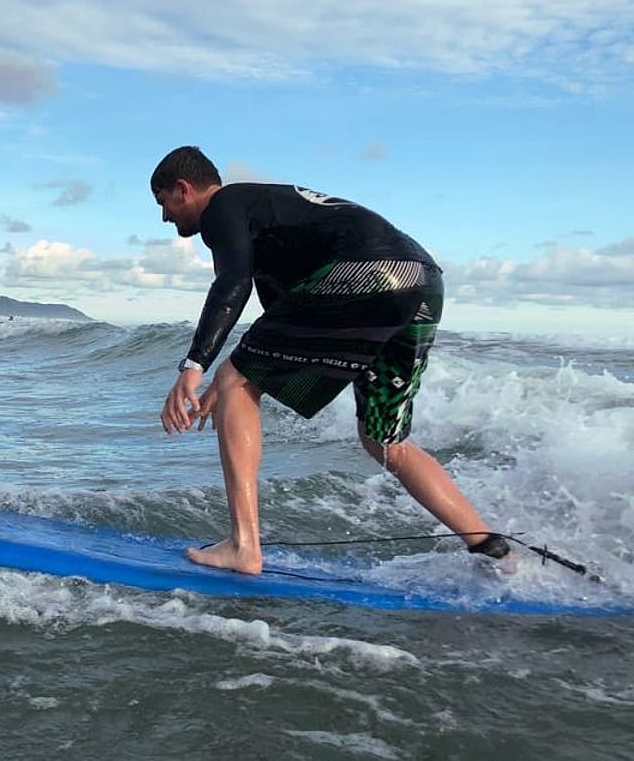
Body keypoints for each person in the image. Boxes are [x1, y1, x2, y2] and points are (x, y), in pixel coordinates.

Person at [152, 146, 510, 574]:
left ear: (184, 189)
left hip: (364, 270)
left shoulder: (224, 205)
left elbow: (232, 282)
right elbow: (277, 326)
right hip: (422, 281)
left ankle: (244, 547)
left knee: (237, 379)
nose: (166, 217)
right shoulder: (274, 219)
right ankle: (494, 550)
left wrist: (195, 368)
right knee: (384, 441)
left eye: (164, 203)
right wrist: (226, 381)